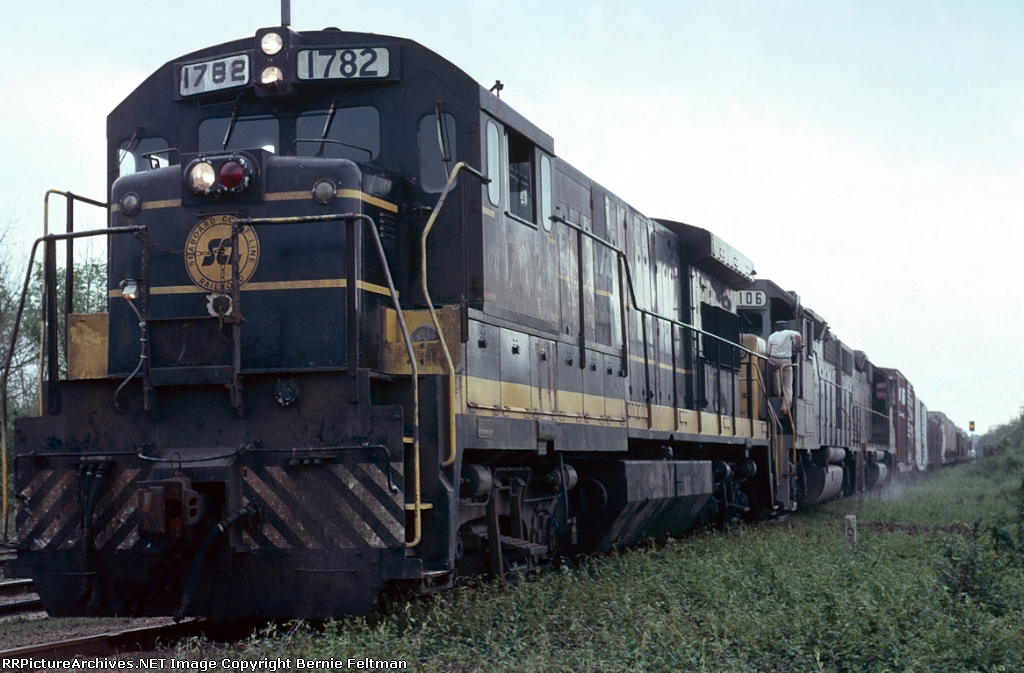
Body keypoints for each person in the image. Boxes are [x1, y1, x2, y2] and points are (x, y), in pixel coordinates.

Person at [767, 320, 803, 408]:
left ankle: (777, 391)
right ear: (786, 327)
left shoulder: (771, 336)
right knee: (787, 386)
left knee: (774, 372)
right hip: (785, 361)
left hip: (774, 360)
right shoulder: (788, 333)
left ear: (776, 328)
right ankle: (785, 407)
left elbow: (768, 352)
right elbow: (798, 335)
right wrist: (799, 346)